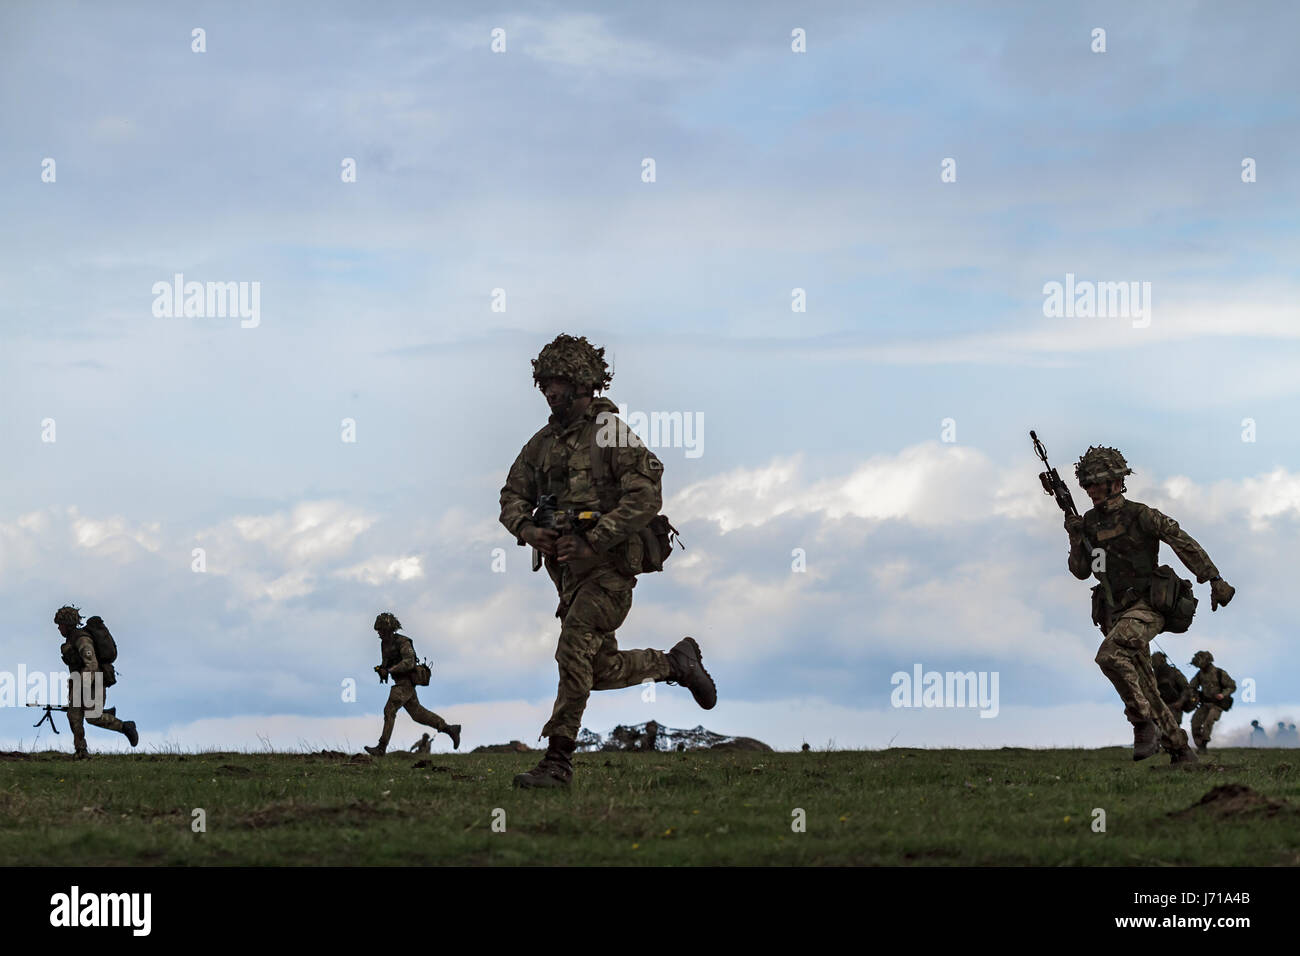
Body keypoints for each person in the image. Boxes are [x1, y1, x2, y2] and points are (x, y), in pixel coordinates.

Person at [499, 334, 716, 788]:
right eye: (545, 383)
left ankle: (557, 763)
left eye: (559, 382)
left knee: (572, 648)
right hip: (567, 577)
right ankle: (675, 664)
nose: (550, 392)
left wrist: (594, 540)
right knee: (597, 670)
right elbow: (511, 496)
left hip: (609, 571)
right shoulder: (542, 444)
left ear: (583, 384)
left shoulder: (610, 435)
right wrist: (528, 529)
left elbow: (646, 496)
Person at [1064, 446, 1234, 765]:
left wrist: (1213, 578)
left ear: (1116, 483)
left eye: (1097, 482)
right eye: (1087, 484)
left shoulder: (1141, 515)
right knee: (1146, 684)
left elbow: (1181, 541)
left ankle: (1142, 724)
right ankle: (1181, 751)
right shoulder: (1088, 523)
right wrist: (1075, 537)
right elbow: (1081, 570)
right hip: (1116, 613)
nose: (1091, 490)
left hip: (1148, 606)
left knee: (1110, 655)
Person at [364, 612, 460, 756]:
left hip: (406, 682)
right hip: (400, 682)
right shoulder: (384, 644)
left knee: (389, 709)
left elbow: (409, 662)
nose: (379, 633)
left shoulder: (403, 642)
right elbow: (386, 664)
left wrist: (390, 670)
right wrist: (382, 670)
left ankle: (381, 748)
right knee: (418, 714)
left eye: (381, 630)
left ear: (389, 629)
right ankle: (449, 729)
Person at [52, 606, 138, 758]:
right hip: (82, 682)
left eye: (61, 624)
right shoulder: (72, 639)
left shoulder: (82, 640)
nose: (59, 628)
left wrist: (82, 687)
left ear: (68, 624)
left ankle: (125, 727)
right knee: (74, 715)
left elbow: (91, 665)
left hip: (93, 682)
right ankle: (81, 751)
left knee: (93, 717)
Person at [1189, 651, 1235, 753]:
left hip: (1217, 704)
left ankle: (1203, 745)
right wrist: (1194, 695)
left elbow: (1232, 686)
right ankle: (1199, 744)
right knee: (1195, 723)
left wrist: (1223, 694)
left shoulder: (1219, 673)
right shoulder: (1200, 674)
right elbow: (1192, 686)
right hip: (1205, 704)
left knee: (1208, 722)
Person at [1151, 651, 1194, 726]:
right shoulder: (1153, 676)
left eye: (1154, 659)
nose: (1153, 662)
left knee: (1173, 735)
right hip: (1158, 712)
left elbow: (1187, 689)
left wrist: (1180, 702)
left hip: (1173, 710)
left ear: (1162, 659)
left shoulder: (1173, 672)